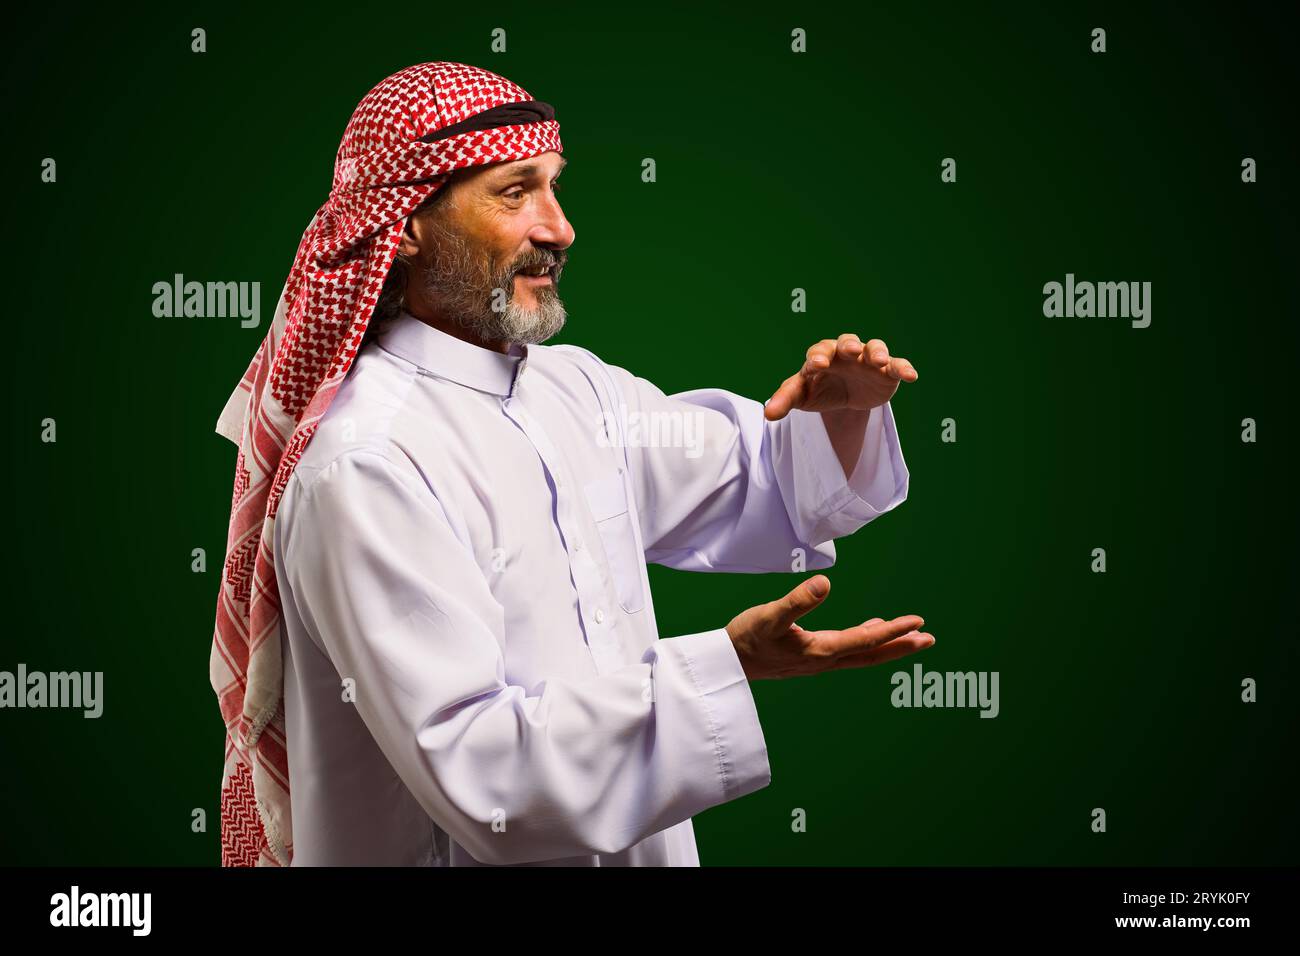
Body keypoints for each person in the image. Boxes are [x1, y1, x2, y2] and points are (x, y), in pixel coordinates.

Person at [211, 61, 933, 868]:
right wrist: (723, 667)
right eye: (515, 192)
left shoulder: (575, 387)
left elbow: (760, 485)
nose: (559, 228)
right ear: (406, 224)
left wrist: (842, 413)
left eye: (554, 186)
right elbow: (485, 775)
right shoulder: (368, 464)